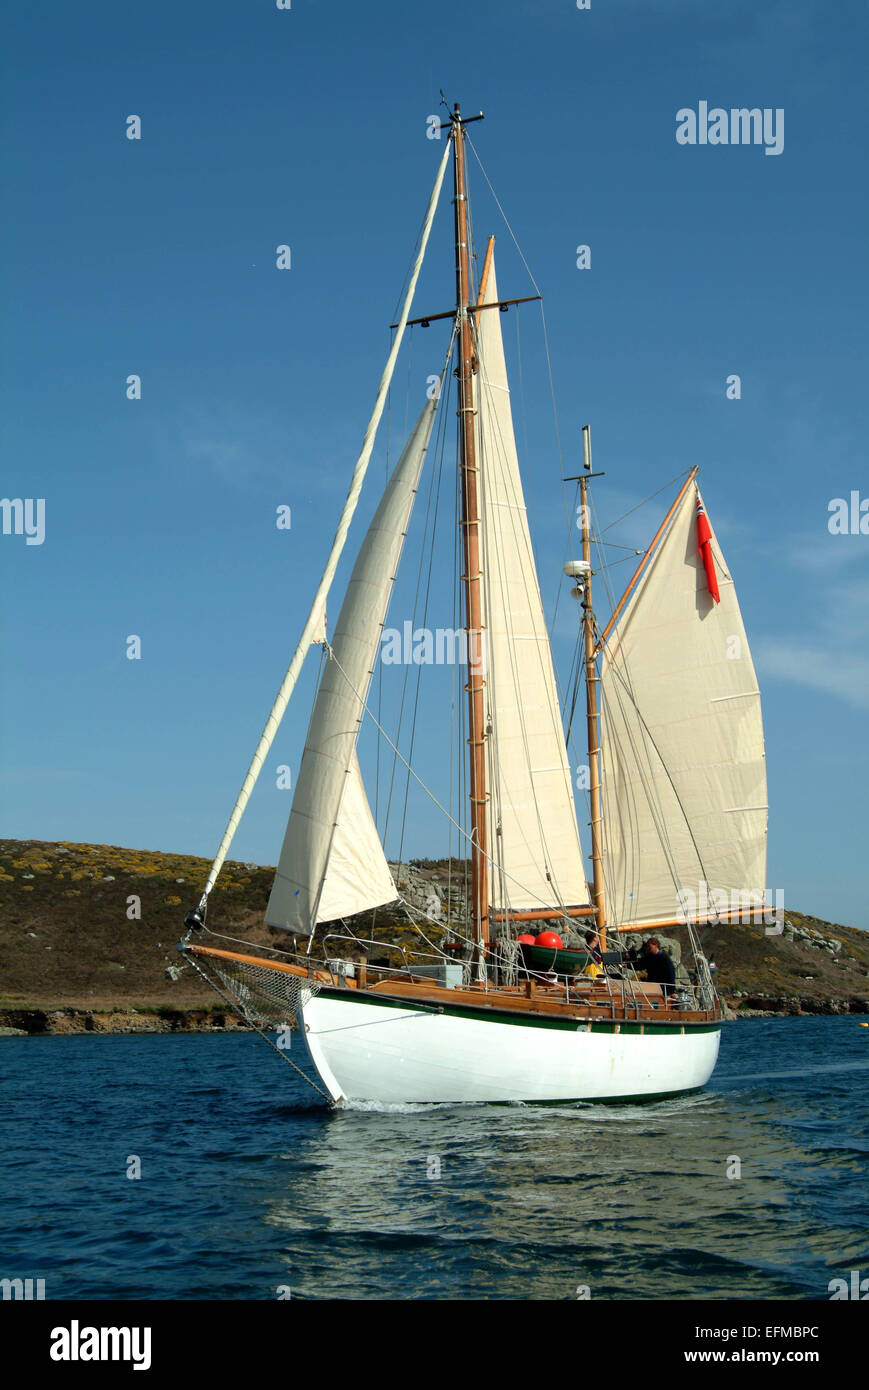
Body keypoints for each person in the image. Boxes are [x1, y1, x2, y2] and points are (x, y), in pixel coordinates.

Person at [639, 937, 675, 1003]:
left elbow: (671, 973)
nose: (648, 949)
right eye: (648, 947)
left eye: (650, 947)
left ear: (656, 945)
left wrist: (671, 991)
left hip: (662, 987)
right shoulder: (649, 957)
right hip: (652, 986)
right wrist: (627, 965)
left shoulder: (664, 958)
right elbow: (640, 964)